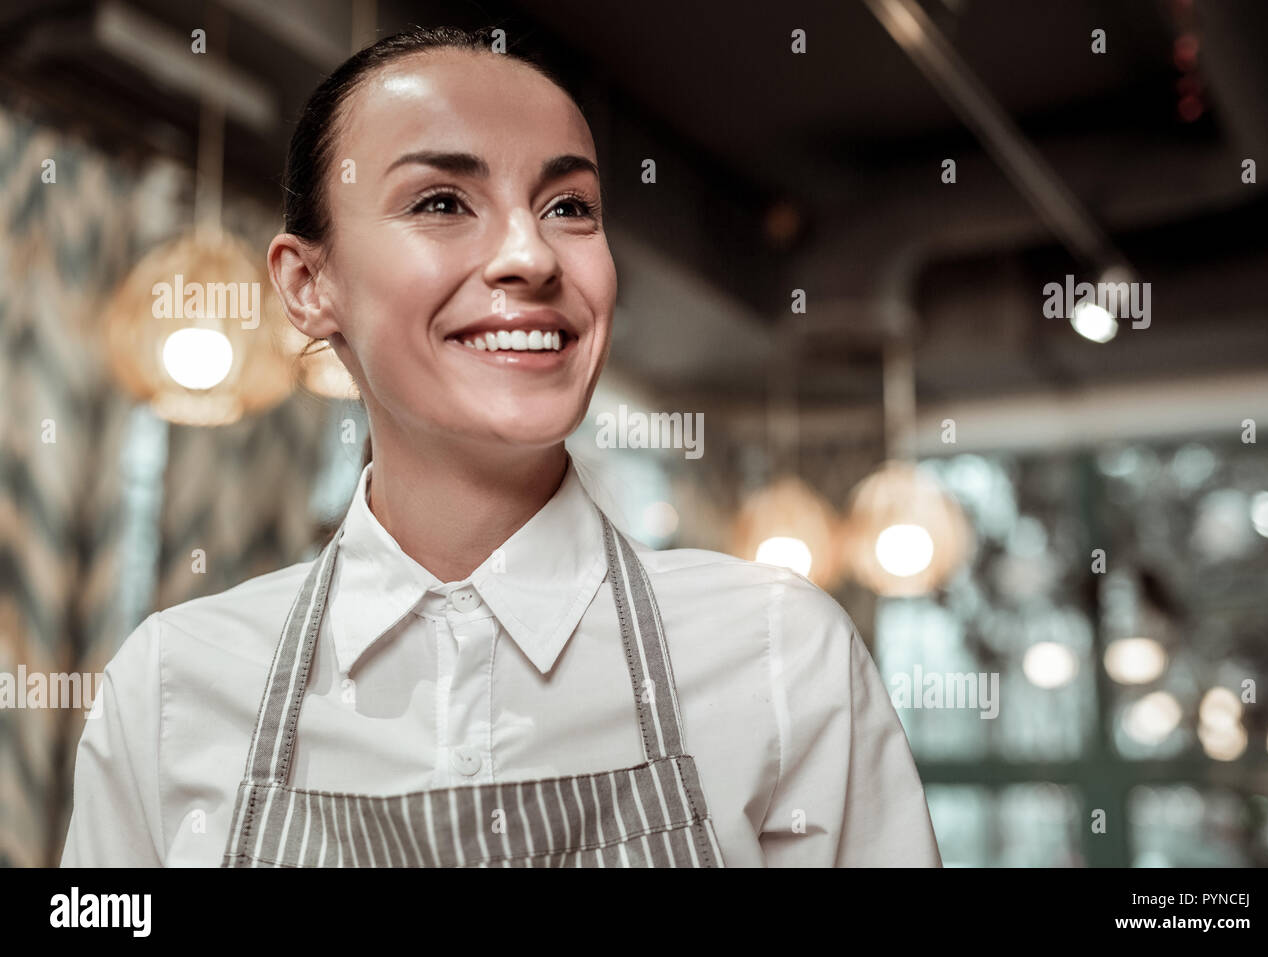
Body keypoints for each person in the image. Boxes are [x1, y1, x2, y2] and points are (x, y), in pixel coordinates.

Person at [60, 25, 940, 867]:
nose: (531, 254)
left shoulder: (781, 653)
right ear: (307, 283)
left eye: (569, 206)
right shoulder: (172, 686)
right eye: (442, 201)